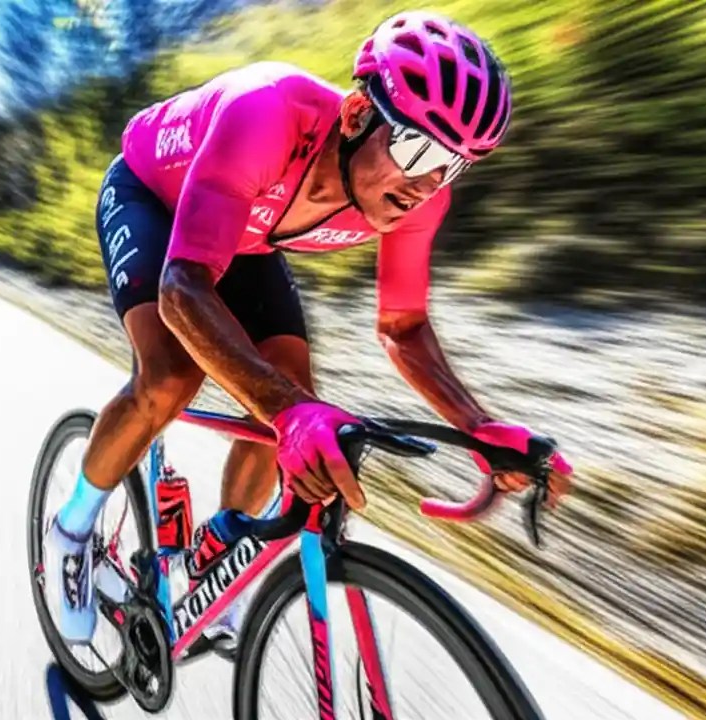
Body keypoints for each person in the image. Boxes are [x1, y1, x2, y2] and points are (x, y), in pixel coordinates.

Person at [44, 10, 575, 651]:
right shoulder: (265, 112)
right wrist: (287, 411)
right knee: (173, 378)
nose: (428, 183)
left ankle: (217, 550)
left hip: (248, 231)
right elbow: (181, 291)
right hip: (152, 196)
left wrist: (477, 425)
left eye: (453, 165)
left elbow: (403, 328)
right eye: (418, 149)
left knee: (292, 394)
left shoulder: (421, 196)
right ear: (355, 116)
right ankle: (72, 530)